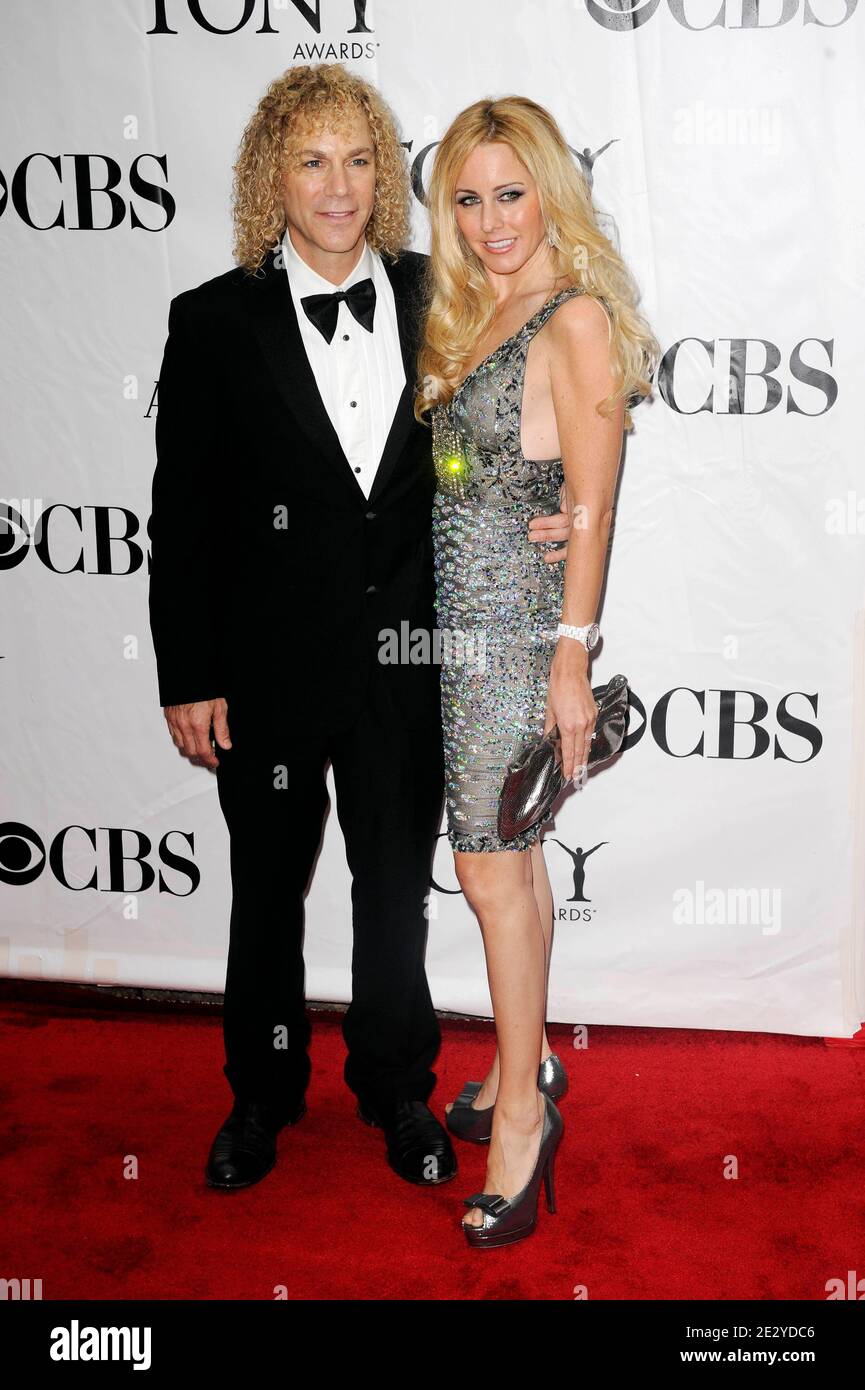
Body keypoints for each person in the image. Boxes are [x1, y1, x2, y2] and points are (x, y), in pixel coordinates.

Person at [147, 65, 573, 1193]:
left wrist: (554, 514)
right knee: (264, 894)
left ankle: (397, 1089)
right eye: (310, 160)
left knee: (393, 893)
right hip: (266, 667)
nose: (337, 186)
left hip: (411, 662)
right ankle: (260, 1098)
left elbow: (538, 401)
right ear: (270, 178)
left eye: (358, 159)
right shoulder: (212, 320)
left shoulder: (448, 290)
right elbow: (180, 515)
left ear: (384, 174)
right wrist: (187, 672)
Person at [416, 95, 659, 1246]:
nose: (486, 220)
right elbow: (488, 476)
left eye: (509, 193)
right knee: (501, 871)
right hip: (453, 637)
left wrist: (571, 653)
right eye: (465, 198)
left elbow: (595, 504)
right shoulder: (476, 304)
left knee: (488, 874)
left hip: (515, 645)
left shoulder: (572, 318)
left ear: (552, 190)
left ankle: (519, 1115)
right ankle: (531, 1064)